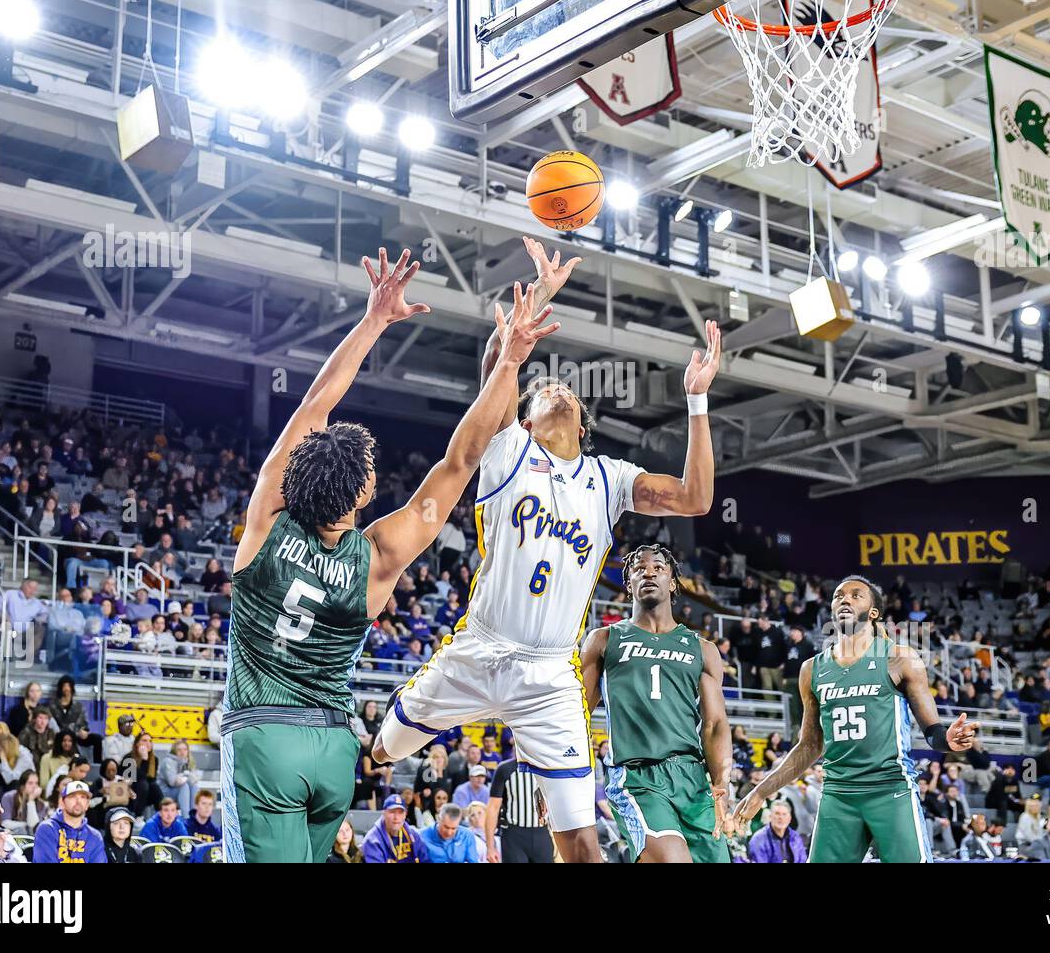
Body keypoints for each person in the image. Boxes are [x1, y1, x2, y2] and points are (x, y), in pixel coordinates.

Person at [374, 237, 721, 864]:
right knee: (380, 750)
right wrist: (528, 314)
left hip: (551, 676)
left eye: (567, 392)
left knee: (582, 843)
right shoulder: (509, 451)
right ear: (526, 418)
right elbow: (494, 377)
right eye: (539, 390)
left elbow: (696, 498)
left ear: (582, 424)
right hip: (476, 650)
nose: (555, 388)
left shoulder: (609, 479)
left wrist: (696, 400)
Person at [221, 251, 558, 864]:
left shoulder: (265, 523)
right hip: (332, 753)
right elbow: (460, 462)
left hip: (263, 738)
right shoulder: (378, 556)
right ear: (363, 493)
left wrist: (374, 319)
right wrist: (509, 363)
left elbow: (312, 407)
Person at [733, 576, 977, 862]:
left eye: (856, 595)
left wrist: (947, 740)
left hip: (890, 788)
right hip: (838, 794)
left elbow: (933, 731)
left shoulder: (899, 659)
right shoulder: (811, 669)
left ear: (874, 612)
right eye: (839, 596)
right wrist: (762, 792)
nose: (844, 599)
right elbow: (809, 745)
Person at [579, 544, 730, 863]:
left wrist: (721, 783)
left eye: (658, 568)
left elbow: (715, 723)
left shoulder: (702, 649)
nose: (648, 572)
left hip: (692, 780)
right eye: (638, 568)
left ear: (673, 581)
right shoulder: (605, 640)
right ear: (628, 582)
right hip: (636, 775)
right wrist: (554, 776)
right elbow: (577, 716)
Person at [486, 753, 552, 864]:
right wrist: (490, 847)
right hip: (513, 835)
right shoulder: (505, 769)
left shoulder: (548, 768)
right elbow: (493, 808)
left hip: (542, 833)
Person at [33, 780, 106, 863]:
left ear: (87, 804)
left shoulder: (94, 836)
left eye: (83, 797)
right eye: (73, 796)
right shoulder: (47, 829)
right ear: (62, 802)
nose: (78, 801)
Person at [361, 793, 426, 863]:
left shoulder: (413, 835)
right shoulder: (372, 841)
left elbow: (426, 859)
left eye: (400, 813)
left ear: (405, 814)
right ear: (384, 813)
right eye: (392, 812)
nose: (396, 817)